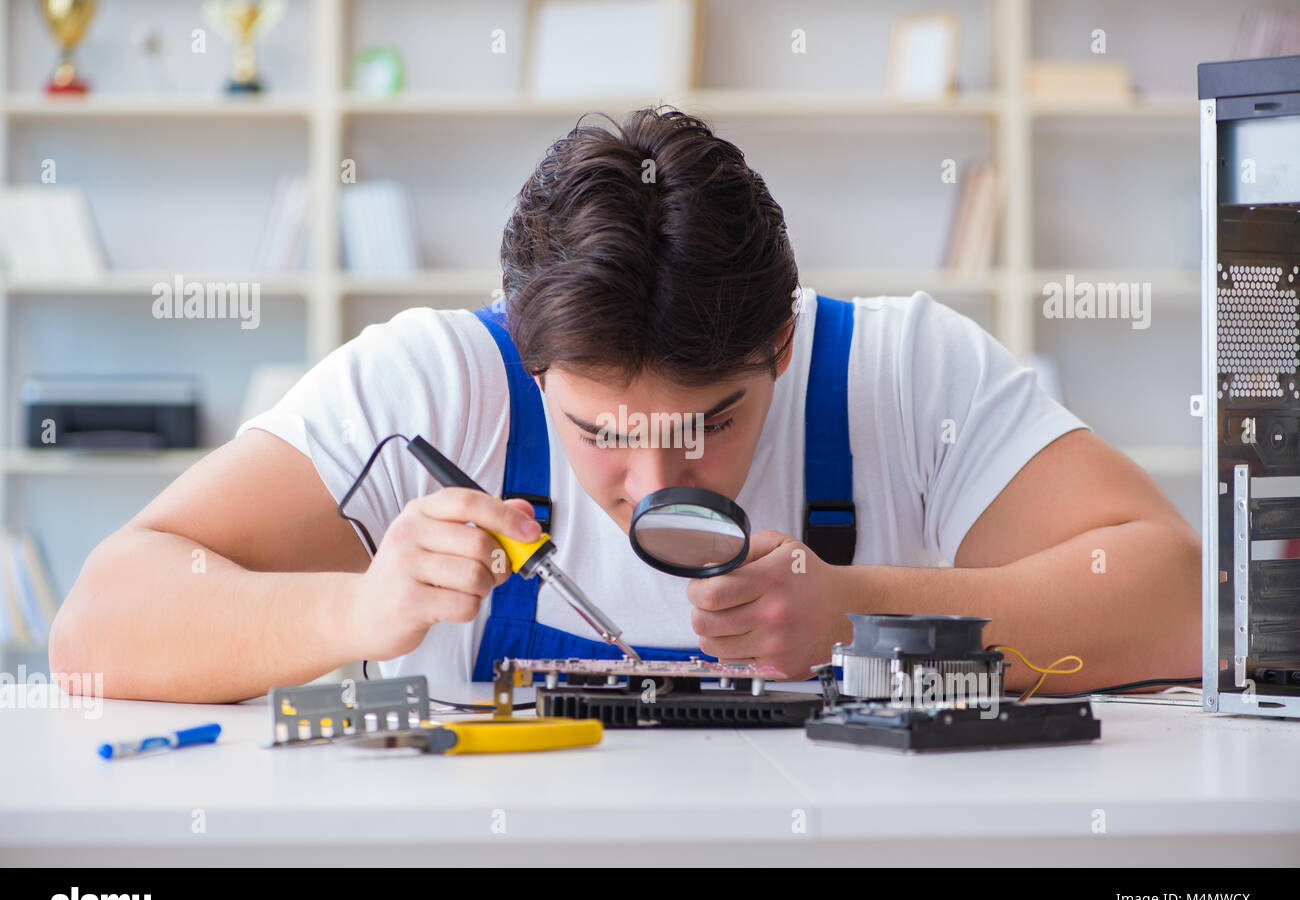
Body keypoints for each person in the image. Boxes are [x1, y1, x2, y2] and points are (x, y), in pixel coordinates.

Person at [49, 106, 1201, 703]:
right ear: (530, 365)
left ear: (782, 348)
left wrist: (863, 614)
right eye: (598, 435)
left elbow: (1183, 598)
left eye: (713, 422)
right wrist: (354, 616)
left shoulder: (901, 369)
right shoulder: (433, 382)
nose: (659, 489)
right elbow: (98, 625)